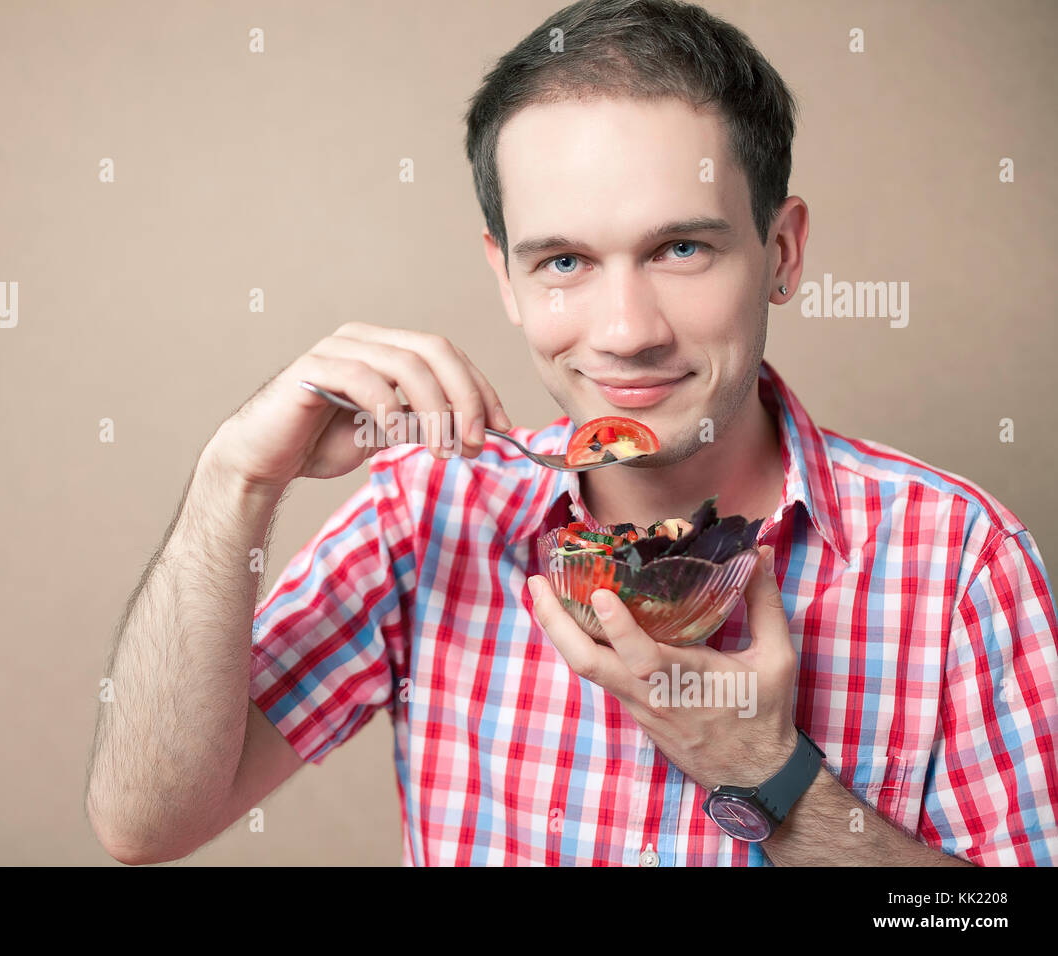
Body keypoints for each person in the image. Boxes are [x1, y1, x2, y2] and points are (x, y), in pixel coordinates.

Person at [84, 0, 1058, 866]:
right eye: (562, 261)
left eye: (682, 247)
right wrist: (235, 480)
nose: (627, 330)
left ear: (784, 250)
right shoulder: (425, 512)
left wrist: (766, 772)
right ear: (504, 276)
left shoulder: (961, 559)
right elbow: (146, 825)